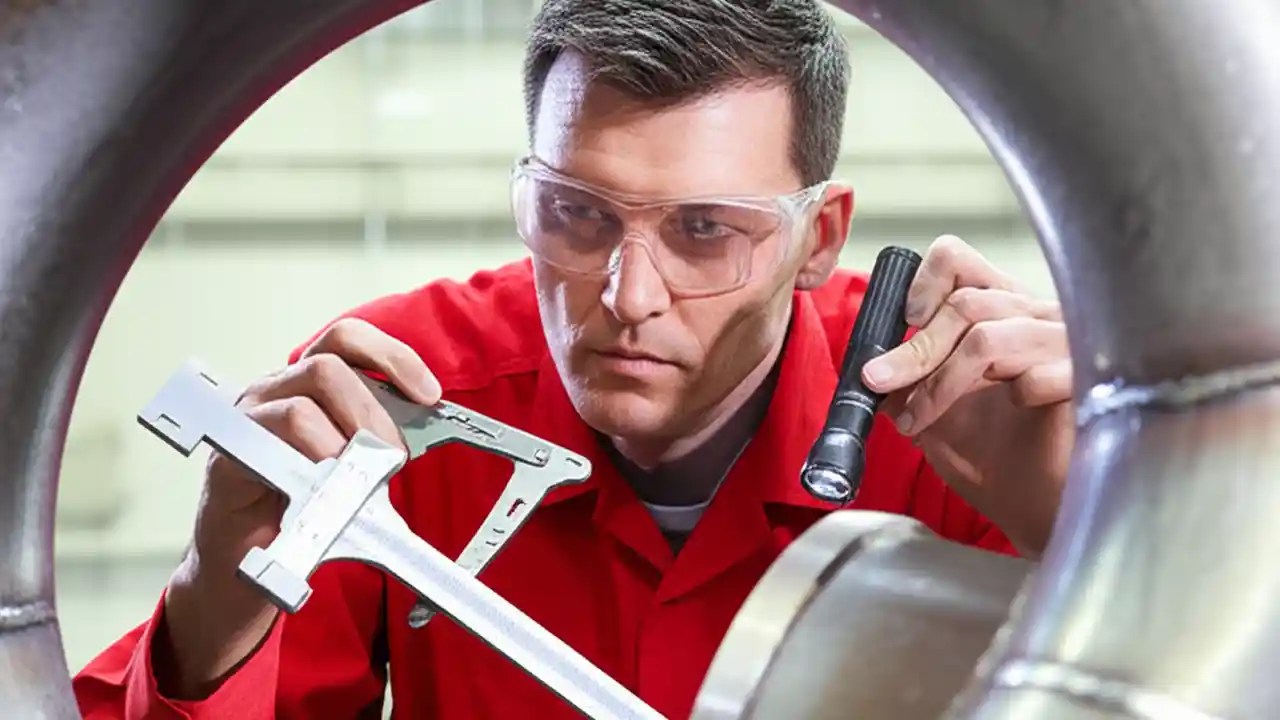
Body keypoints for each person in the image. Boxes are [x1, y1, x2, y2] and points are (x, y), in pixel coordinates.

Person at [73, 1, 1073, 718]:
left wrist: (1080, 527)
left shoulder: (966, 432)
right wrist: (211, 607)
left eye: (703, 230)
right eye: (576, 215)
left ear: (817, 239)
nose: (627, 296)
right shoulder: (394, 399)